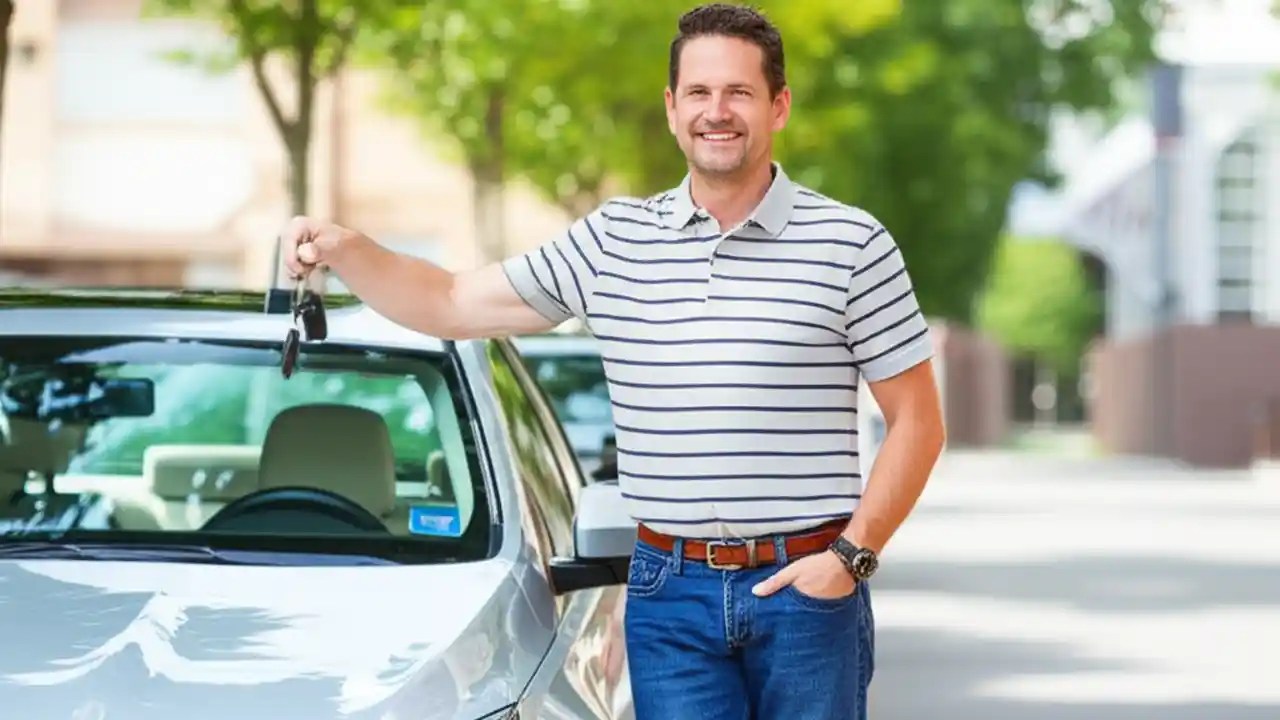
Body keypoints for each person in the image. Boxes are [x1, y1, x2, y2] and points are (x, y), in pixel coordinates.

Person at [279, 4, 945, 718]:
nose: (716, 112)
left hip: (806, 593)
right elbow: (449, 300)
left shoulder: (850, 244)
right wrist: (347, 249)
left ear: (778, 106)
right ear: (671, 107)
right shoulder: (613, 241)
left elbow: (917, 422)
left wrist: (850, 558)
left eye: (738, 92)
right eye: (698, 92)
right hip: (669, 595)